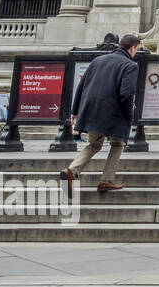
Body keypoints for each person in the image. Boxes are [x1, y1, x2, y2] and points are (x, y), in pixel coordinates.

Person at [60, 32, 140, 193]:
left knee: (94, 144)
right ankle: (107, 180)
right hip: (114, 113)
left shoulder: (98, 60)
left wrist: (75, 111)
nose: (136, 52)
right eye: (137, 49)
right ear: (132, 49)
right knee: (117, 144)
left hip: (91, 109)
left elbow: (81, 87)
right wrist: (129, 116)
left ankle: (73, 170)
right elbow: (127, 94)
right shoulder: (130, 65)